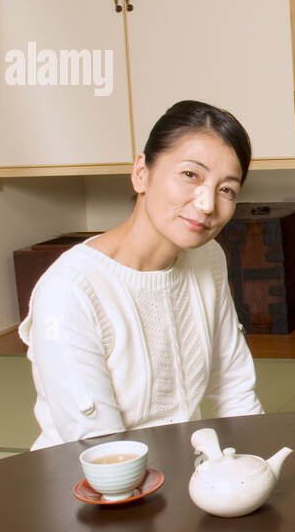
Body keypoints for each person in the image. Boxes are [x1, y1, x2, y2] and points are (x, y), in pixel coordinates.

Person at [20, 100, 264, 449]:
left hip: (186, 473)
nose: (207, 205)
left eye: (226, 190)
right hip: (90, 482)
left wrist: (253, 471)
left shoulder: (207, 258)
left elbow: (234, 388)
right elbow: (102, 449)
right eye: (190, 175)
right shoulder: (70, 290)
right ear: (141, 173)